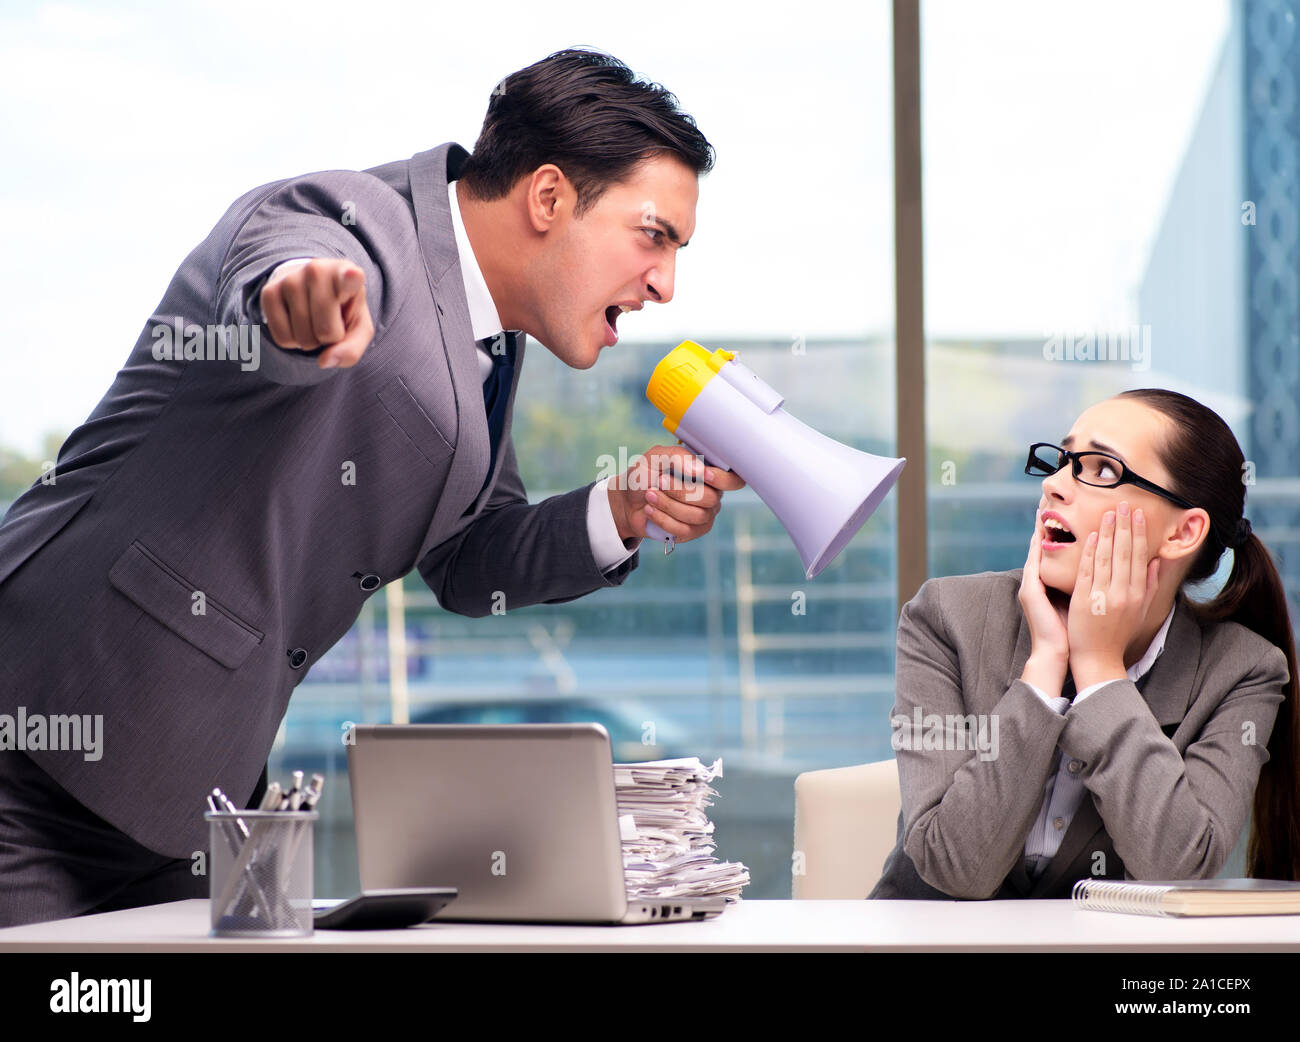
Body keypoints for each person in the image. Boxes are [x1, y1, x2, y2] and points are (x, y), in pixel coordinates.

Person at [0, 48, 744, 927]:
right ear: (548, 198)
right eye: (653, 236)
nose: (665, 282)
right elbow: (281, 287)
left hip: (191, 793)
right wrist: (302, 310)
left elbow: (468, 565)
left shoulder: (492, 348)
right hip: (41, 740)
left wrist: (619, 508)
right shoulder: (347, 225)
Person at [870, 388, 1300, 899]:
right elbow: (956, 866)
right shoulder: (945, 618)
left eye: (1100, 470)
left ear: (1184, 532)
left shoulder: (1245, 670)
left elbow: (1178, 869)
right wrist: (1045, 664)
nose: (1053, 484)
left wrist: (1100, 668)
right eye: (1063, 460)